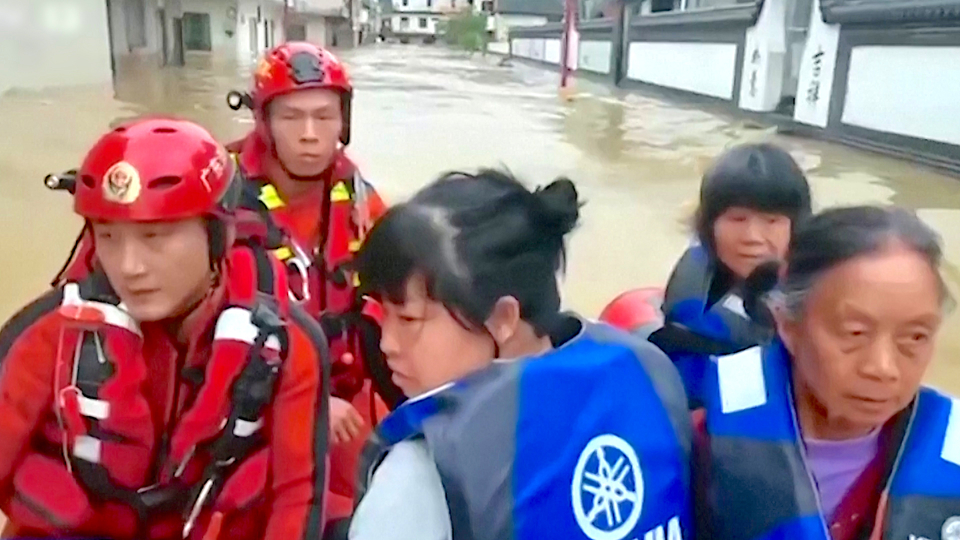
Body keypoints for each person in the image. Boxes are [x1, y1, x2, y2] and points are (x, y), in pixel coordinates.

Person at [0, 118, 330, 540]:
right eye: (108, 236)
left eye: (154, 236)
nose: (129, 266)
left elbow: (296, 499)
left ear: (218, 234)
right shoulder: (46, 334)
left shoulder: (284, 343)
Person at [347, 169, 693, 540]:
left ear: (503, 318)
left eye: (409, 318)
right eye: (383, 314)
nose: (388, 344)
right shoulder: (646, 370)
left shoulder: (424, 474)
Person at [696, 205, 960, 540]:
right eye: (854, 333)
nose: (883, 368)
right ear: (789, 326)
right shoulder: (699, 438)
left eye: (915, 337)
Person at [223, 40, 395, 525]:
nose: (309, 135)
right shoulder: (219, 199)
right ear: (264, 122)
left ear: (345, 122)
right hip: (253, 397)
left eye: (324, 117)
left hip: (347, 392)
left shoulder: (358, 195)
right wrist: (312, 402)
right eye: (291, 117)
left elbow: (400, 288)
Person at [601, 143, 812, 407]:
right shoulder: (697, 273)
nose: (752, 238)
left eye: (771, 221)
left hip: (751, 433)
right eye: (737, 219)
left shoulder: (811, 301)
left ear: (797, 227)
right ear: (709, 225)